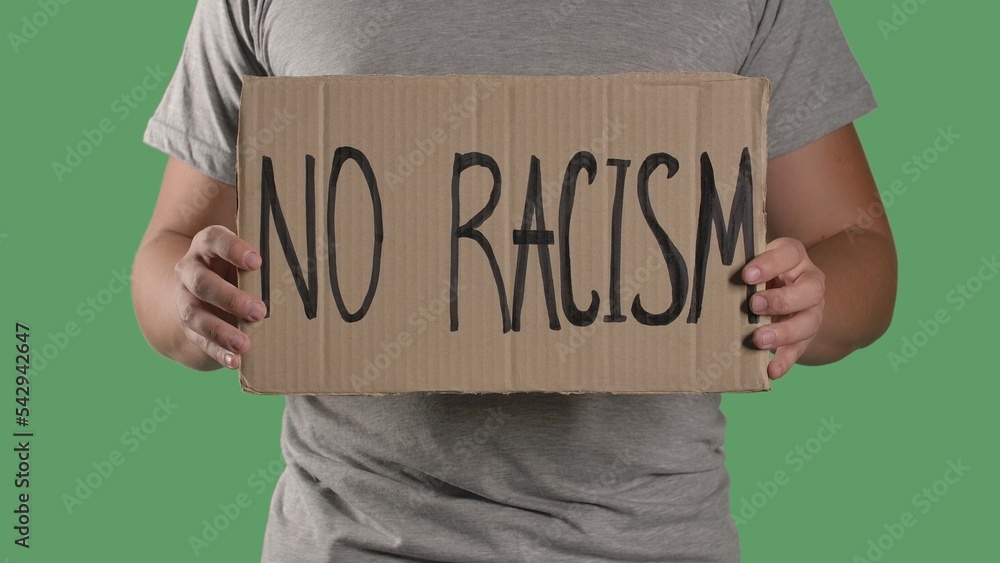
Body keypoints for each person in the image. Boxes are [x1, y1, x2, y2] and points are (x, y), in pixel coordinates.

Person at [132, 1, 897, 561]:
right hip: (351, 540)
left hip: (650, 543)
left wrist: (809, 300)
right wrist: (192, 299)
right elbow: (166, 255)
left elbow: (858, 248)